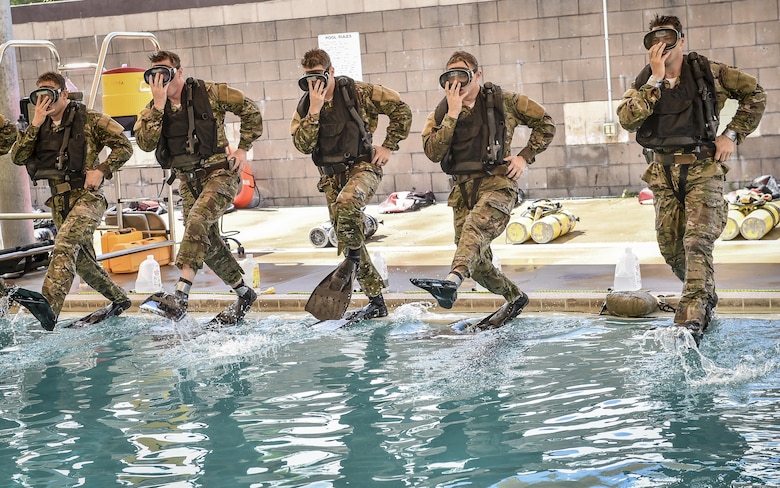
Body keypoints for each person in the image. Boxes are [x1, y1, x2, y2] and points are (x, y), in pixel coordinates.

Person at [617, 14, 766, 342]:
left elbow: (755, 95)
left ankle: (690, 320)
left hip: (703, 169)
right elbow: (627, 120)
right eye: (655, 41)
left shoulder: (708, 72)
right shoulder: (645, 81)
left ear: (681, 41)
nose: (663, 47)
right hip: (662, 174)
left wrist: (732, 134)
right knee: (671, 248)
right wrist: (655, 80)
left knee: (696, 242)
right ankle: (704, 294)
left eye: (669, 39)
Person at [412, 51, 556, 331]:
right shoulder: (441, 113)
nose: (457, 84)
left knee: (473, 232)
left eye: (463, 76)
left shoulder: (505, 101)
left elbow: (546, 123)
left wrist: (524, 156)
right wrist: (452, 115)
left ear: (477, 75)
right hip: (461, 191)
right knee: (476, 262)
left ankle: (452, 282)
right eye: (449, 78)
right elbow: (432, 152)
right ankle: (515, 297)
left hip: (498, 183)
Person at [134, 50, 264, 325]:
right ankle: (244, 293)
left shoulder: (211, 92)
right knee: (211, 244)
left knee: (196, 221)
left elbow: (251, 110)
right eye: (154, 76)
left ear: (179, 73)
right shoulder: (153, 108)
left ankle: (180, 295)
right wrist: (158, 106)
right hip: (188, 182)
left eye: (166, 74)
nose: (160, 81)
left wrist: (242, 150)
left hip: (220, 174)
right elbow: (144, 143)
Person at [291, 48, 412, 322]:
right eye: (309, 78)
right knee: (350, 239)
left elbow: (401, 110)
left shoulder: (360, 92)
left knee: (348, 205)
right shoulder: (305, 105)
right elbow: (302, 145)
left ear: (331, 71)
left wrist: (389, 146)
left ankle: (352, 263)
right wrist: (314, 110)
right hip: (331, 177)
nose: (315, 84)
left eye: (320, 76)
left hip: (363, 166)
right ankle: (376, 302)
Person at [9, 71, 133, 329]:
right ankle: (120, 300)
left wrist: (102, 170)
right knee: (83, 264)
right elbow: (18, 157)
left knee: (64, 244)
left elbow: (124, 145)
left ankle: (48, 306)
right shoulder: (38, 125)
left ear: (64, 94)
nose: (46, 100)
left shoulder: (89, 119)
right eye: (40, 95)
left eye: (51, 94)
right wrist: (35, 124)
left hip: (88, 198)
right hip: (59, 201)